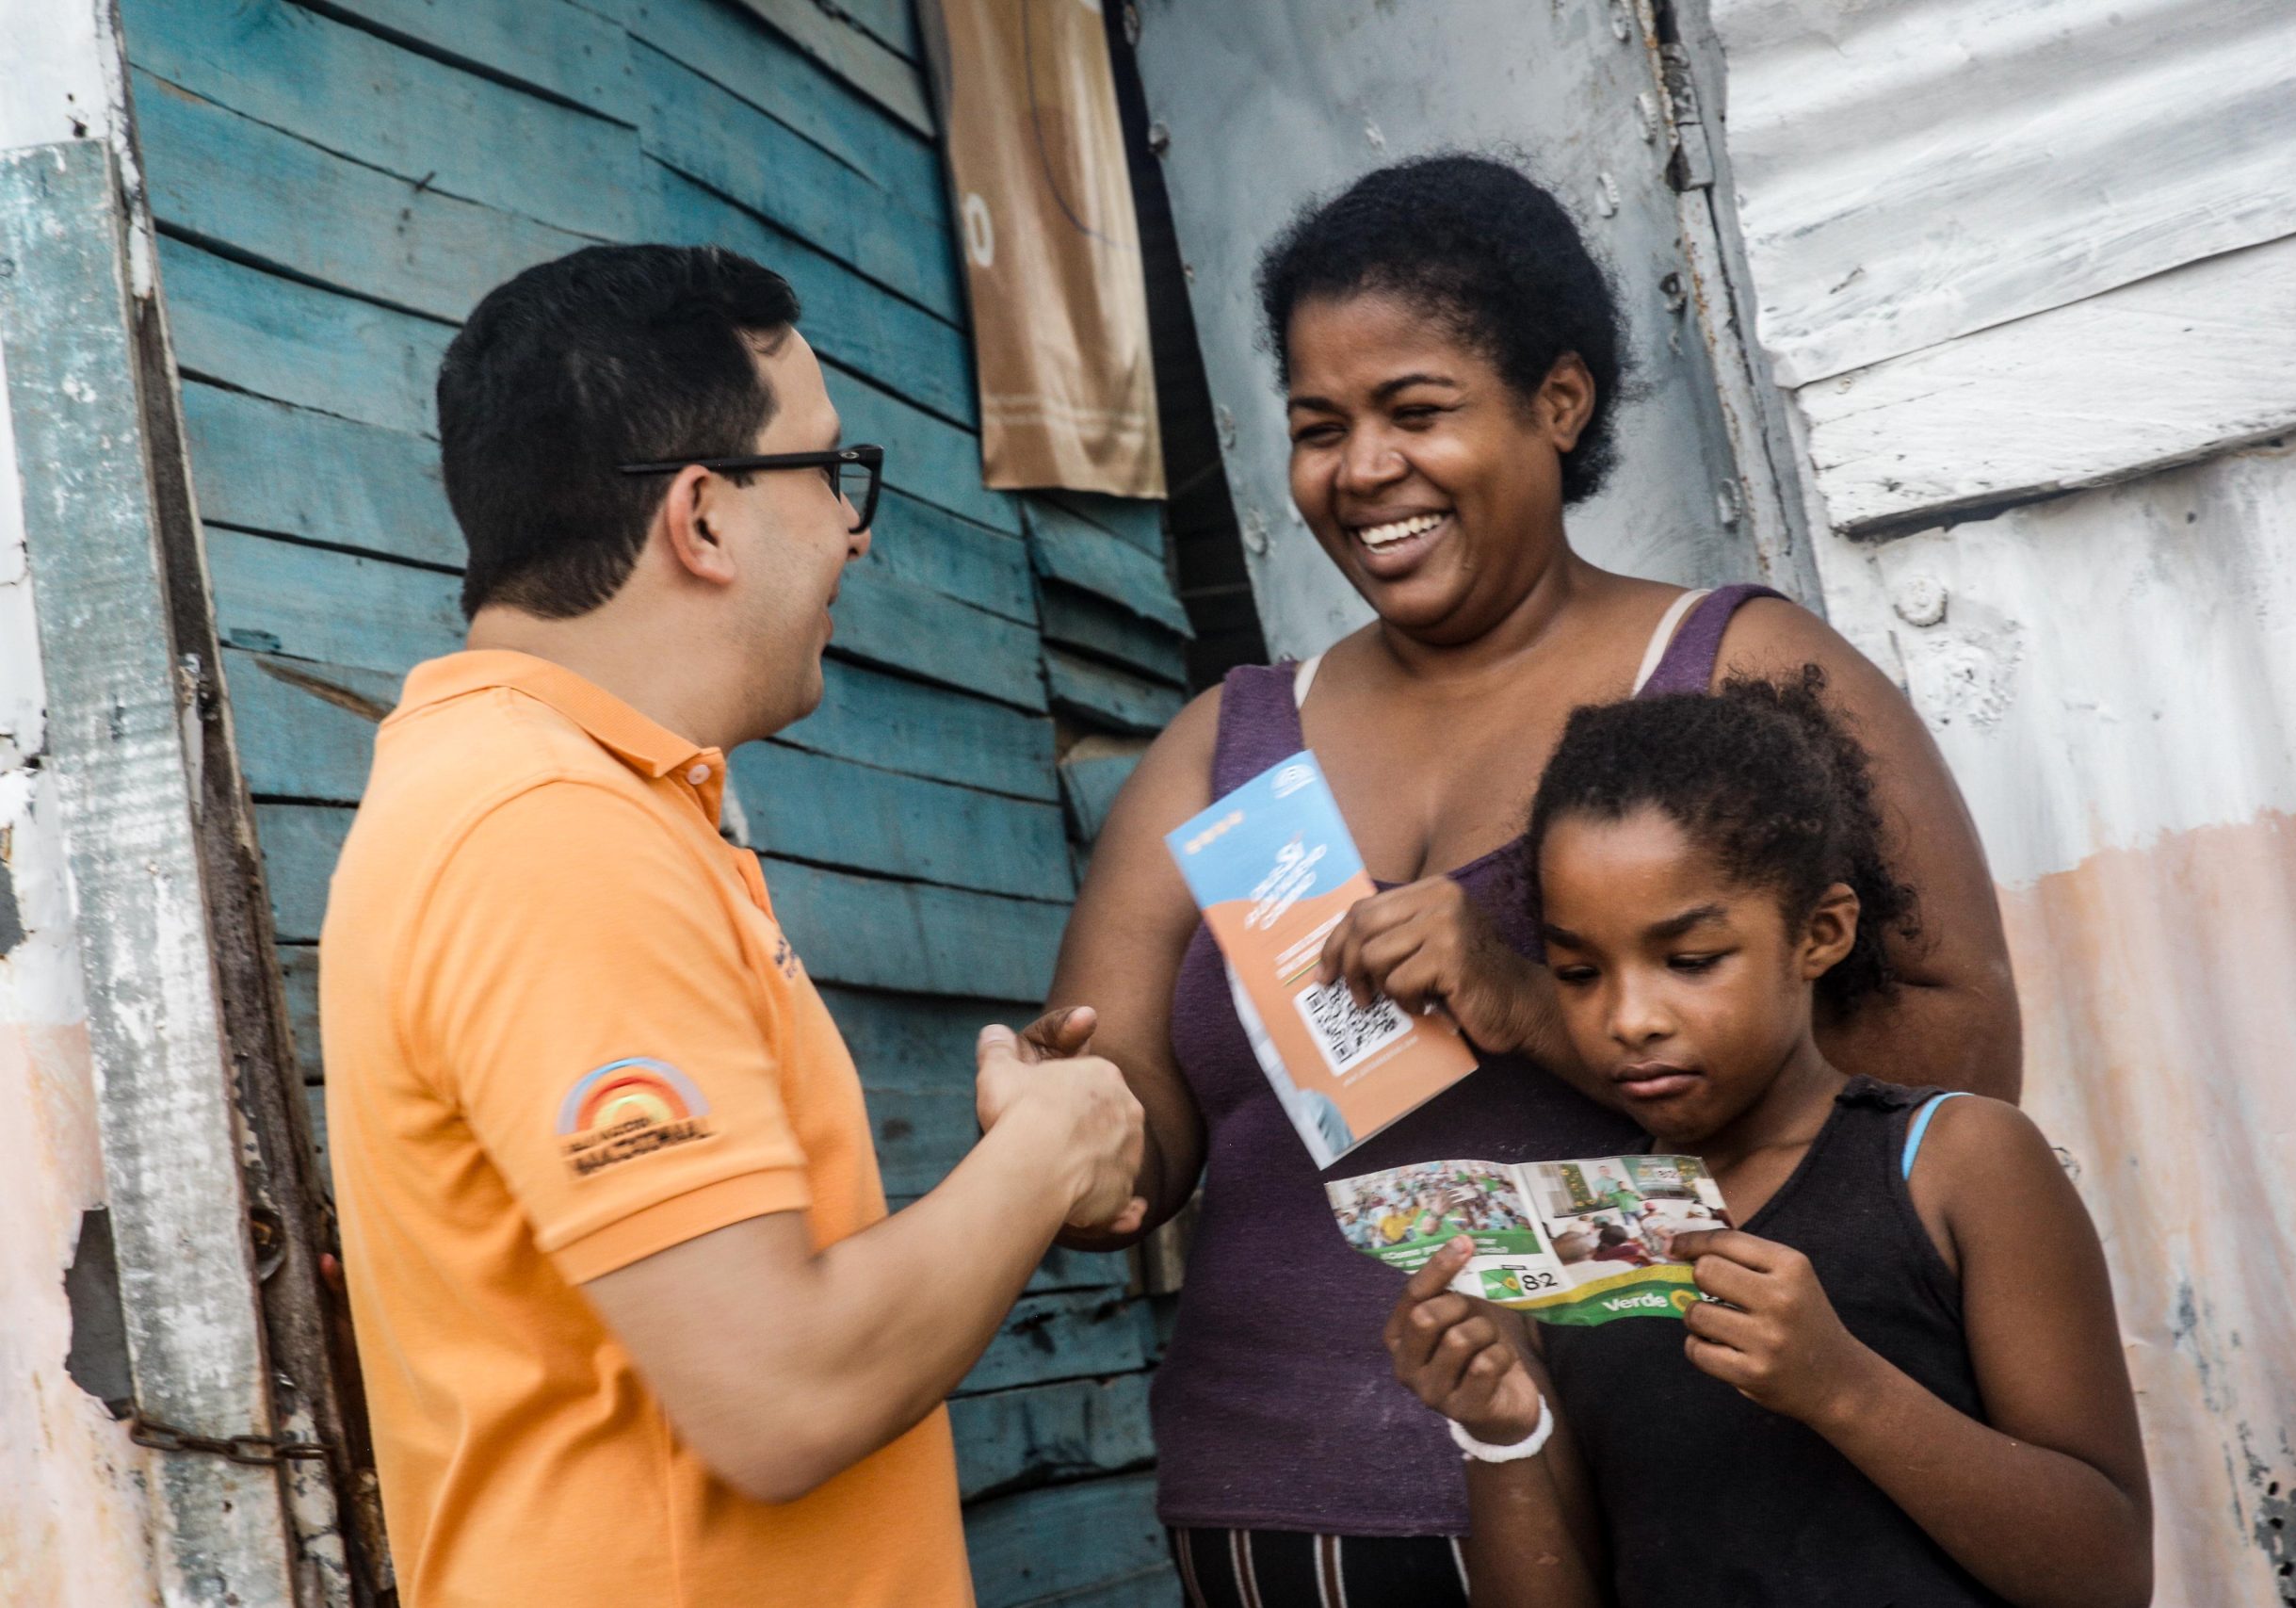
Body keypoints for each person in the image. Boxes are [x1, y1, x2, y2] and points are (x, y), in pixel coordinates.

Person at [1043, 154, 2023, 1600]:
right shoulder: (1222, 747)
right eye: (1319, 427)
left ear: (1557, 403)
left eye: (1415, 409)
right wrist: (1062, 1134)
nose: (1361, 467)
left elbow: (1948, 1076)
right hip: (1279, 1499)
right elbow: (1130, 1139)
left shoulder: (1738, 675)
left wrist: (1528, 999)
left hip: (1672, 1495)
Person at [317, 245, 1146, 1608]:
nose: (853, 529)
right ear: (701, 519)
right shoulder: (548, 834)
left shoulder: (584, 800)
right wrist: (1051, 1156)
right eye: (830, 472)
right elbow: (782, 1391)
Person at [1384, 676, 2150, 1607]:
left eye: (1691, 962)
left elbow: (2103, 1572)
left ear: (1818, 934)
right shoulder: (1569, 1241)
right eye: (1578, 972)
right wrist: (1501, 1436)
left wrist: (1840, 1389)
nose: (1628, 1019)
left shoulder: (1957, 1163)